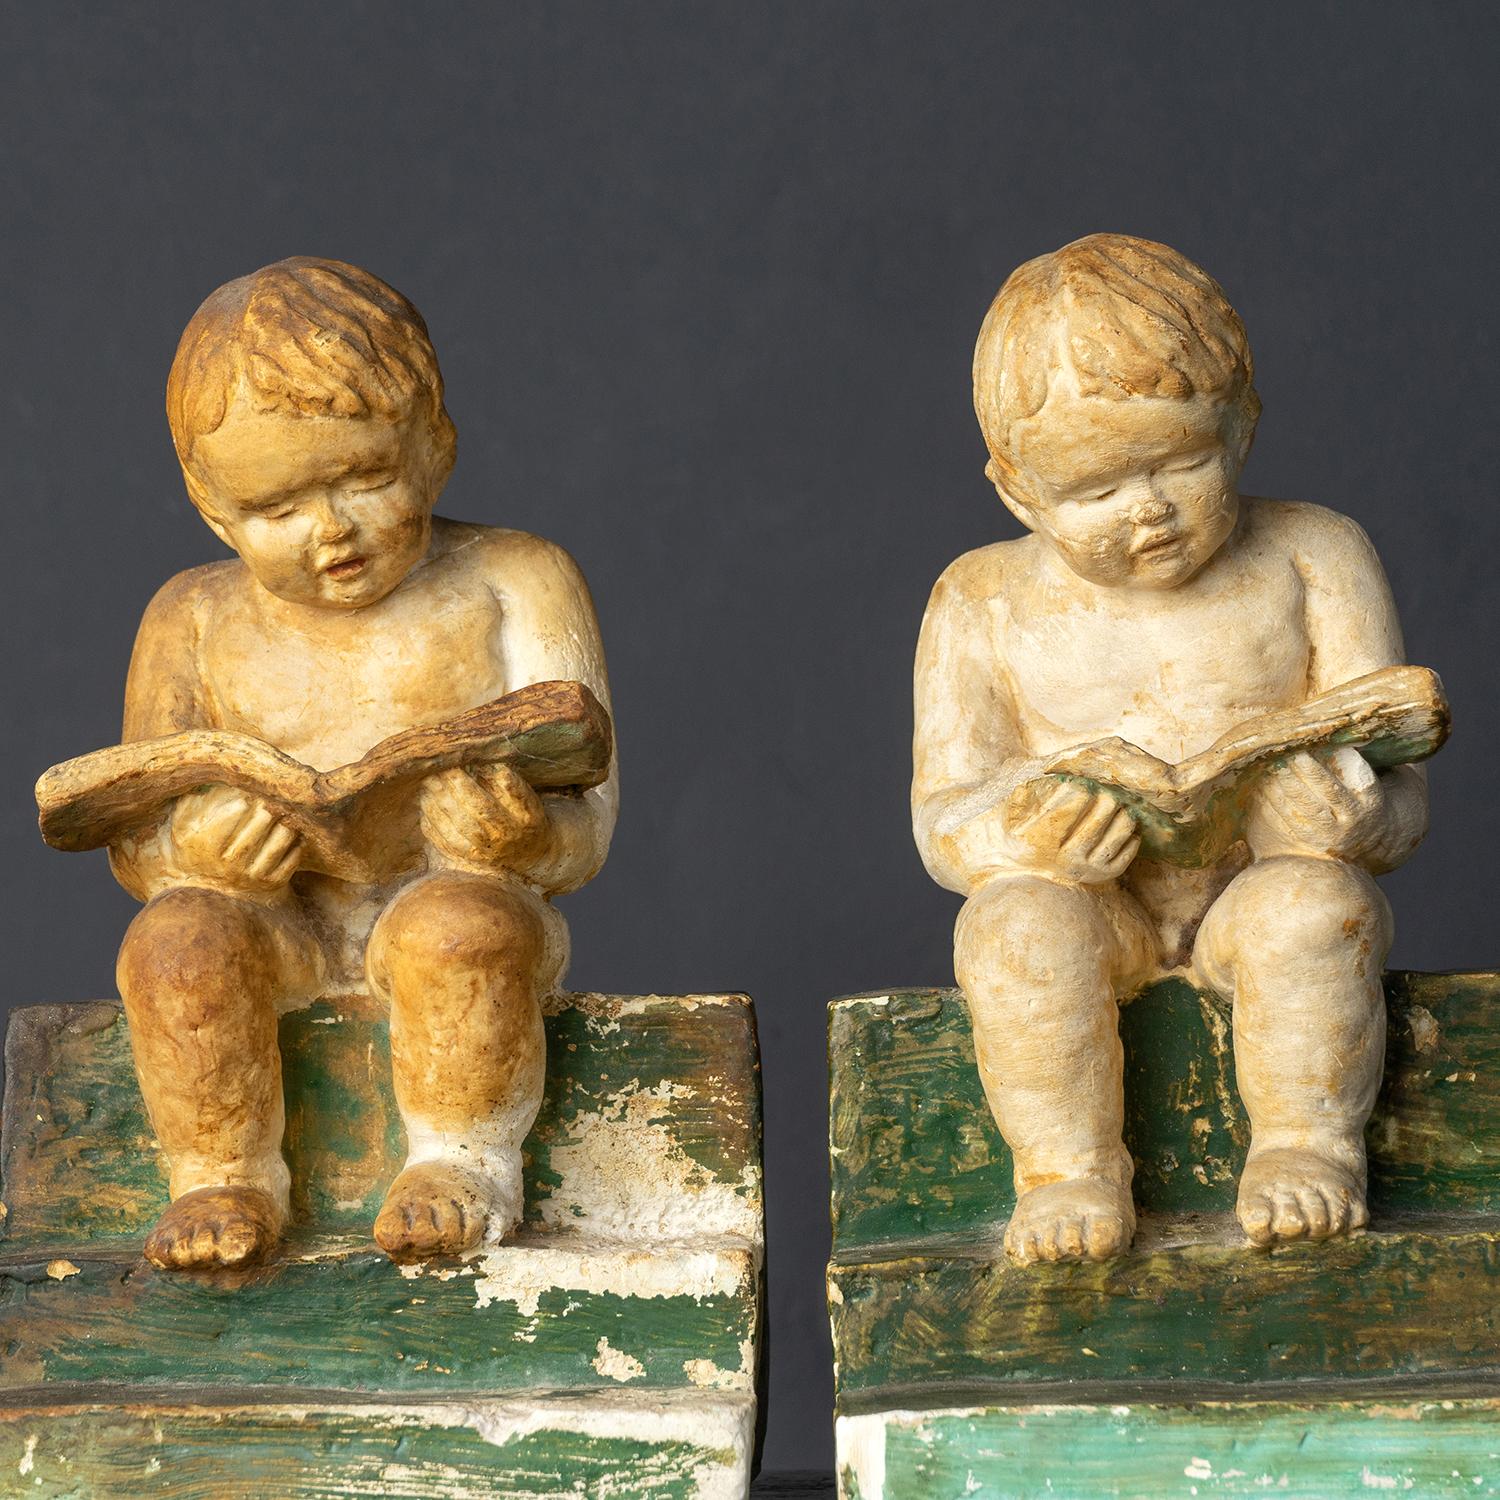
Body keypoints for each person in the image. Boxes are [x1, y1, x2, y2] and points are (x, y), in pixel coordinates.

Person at [912, 234, 1428, 1265]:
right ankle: (1066, 1169)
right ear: (1017, 490)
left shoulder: (1315, 553)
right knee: (1012, 928)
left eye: (1180, 464)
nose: (1144, 507)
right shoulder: (981, 598)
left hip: (1256, 886)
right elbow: (943, 820)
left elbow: (1401, 789)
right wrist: (1033, 839)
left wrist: (1361, 817)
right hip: (1100, 910)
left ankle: (1305, 1146)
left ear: (1239, 430)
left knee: (1321, 905)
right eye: (1093, 491)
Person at [111, 257, 616, 1269]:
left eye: (367, 478)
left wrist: (525, 837)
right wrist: (195, 850)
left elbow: (588, 820)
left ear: (436, 447)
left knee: (462, 927)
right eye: (276, 507)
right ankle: (221, 1172)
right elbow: (135, 833)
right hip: (274, 922)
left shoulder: (517, 579)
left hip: (452, 899)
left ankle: (462, 1159)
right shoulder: (191, 617)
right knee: (176, 945)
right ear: (213, 509)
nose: (330, 529)